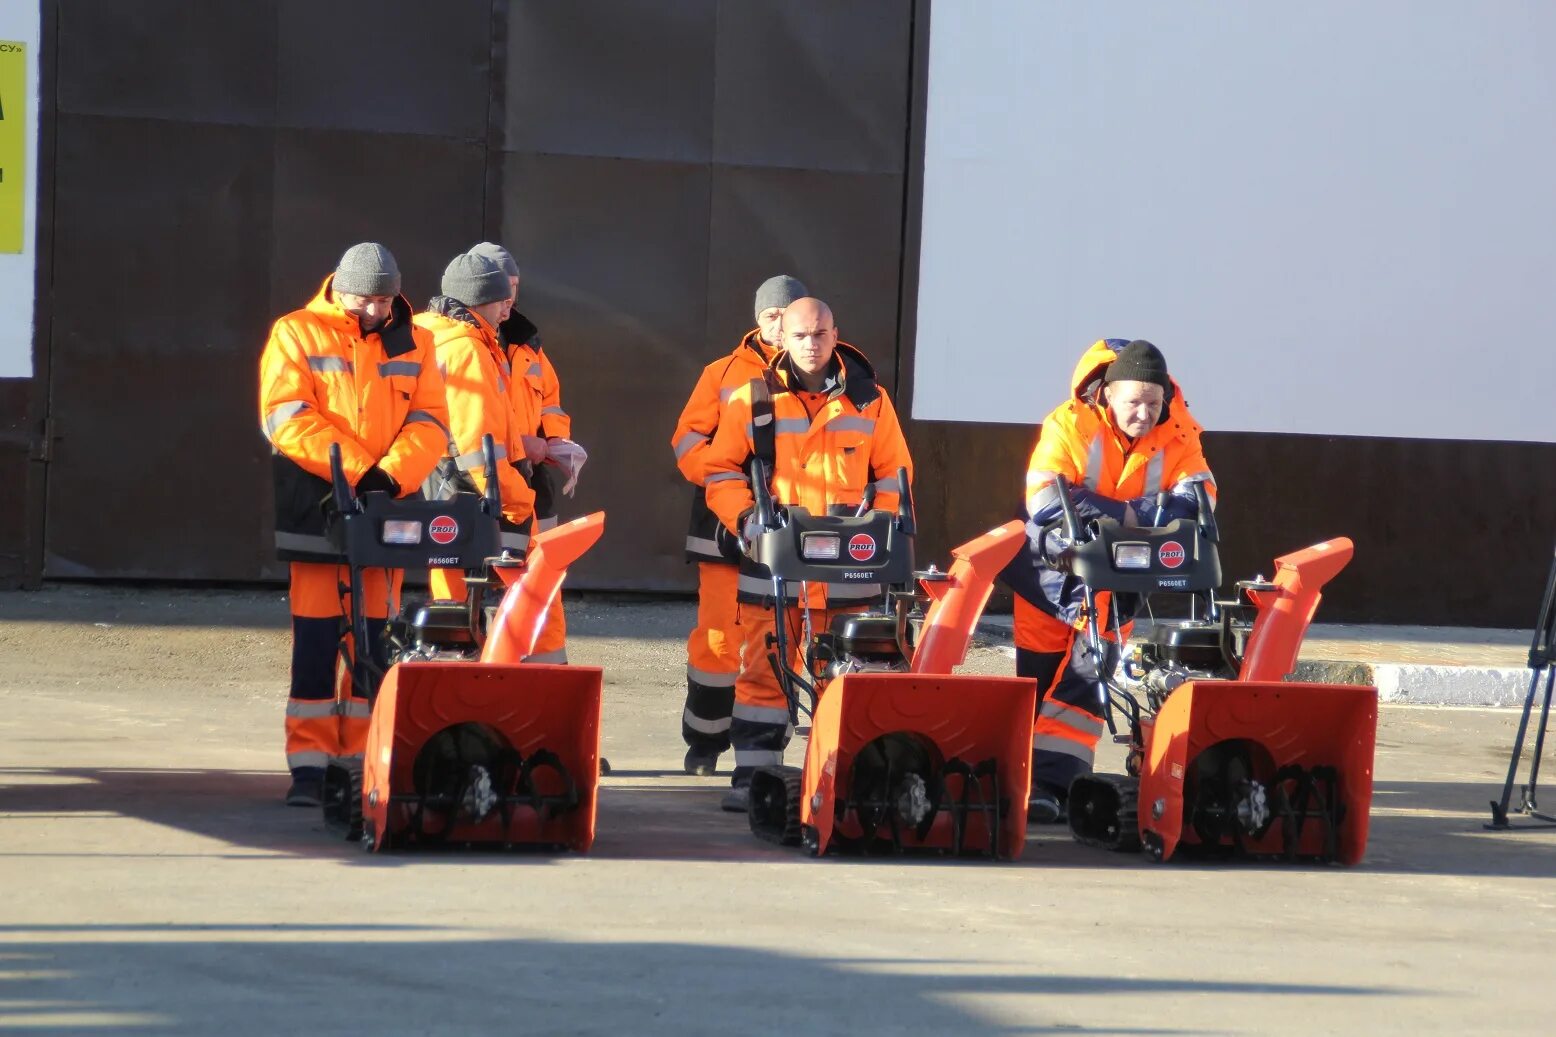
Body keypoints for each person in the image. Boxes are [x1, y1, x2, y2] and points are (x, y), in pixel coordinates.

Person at [701, 298, 914, 811]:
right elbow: (721, 472)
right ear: (783, 338)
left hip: (849, 570)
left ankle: (839, 777)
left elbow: (895, 475)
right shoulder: (753, 399)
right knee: (762, 675)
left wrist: (881, 527)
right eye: (800, 336)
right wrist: (747, 519)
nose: (811, 345)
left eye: (820, 334)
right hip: (773, 561)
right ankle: (755, 779)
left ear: (836, 335)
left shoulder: (871, 401)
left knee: (845, 676)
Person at [258, 243, 450, 806]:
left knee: (375, 645)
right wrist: (362, 471)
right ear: (338, 289)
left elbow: (431, 420)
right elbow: (286, 416)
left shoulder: (417, 340)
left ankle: (365, 762)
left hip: (383, 508)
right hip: (319, 507)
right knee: (317, 644)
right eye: (365, 299)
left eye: (385, 300)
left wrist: (390, 476)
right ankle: (310, 770)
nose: (375, 310)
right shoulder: (296, 332)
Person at [1005, 339, 1215, 823]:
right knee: (1035, 682)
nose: (1144, 413)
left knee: (1090, 675)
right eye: (1134, 402)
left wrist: (1109, 515)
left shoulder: (1181, 433)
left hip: (1120, 580)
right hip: (1047, 575)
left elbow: (1200, 499)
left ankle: (1053, 784)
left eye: (1153, 403)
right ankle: (1018, 777)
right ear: (1109, 395)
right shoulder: (1068, 423)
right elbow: (1045, 499)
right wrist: (1138, 516)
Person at [670, 274, 808, 776]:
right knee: (718, 638)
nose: (778, 325)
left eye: (787, 315)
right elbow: (687, 440)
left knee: (779, 639)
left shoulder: (818, 375)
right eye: (771, 315)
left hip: (785, 526)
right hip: (722, 528)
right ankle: (704, 742)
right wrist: (725, 478)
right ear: (757, 319)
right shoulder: (722, 373)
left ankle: (766, 745)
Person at [471, 241, 578, 665]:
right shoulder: (465, 343)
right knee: (484, 586)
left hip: (531, 481)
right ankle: (490, 671)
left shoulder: (526, 342)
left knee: (542, 580)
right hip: (486, 481)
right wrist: (524, 443)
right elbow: (475, 419)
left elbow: (550, 401)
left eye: (515, 286)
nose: (510, 297)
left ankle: (548, 674)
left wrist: (555, 441)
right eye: (503, 287)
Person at [416, 252, 537, 602]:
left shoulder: (432, 336)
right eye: (500, 301)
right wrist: (519, 502)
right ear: (479, 301)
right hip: (474, 495)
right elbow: (476, 445)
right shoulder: (468, 349)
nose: (506, 310)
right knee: (497, 600)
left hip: (442, 486)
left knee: (450, 596)